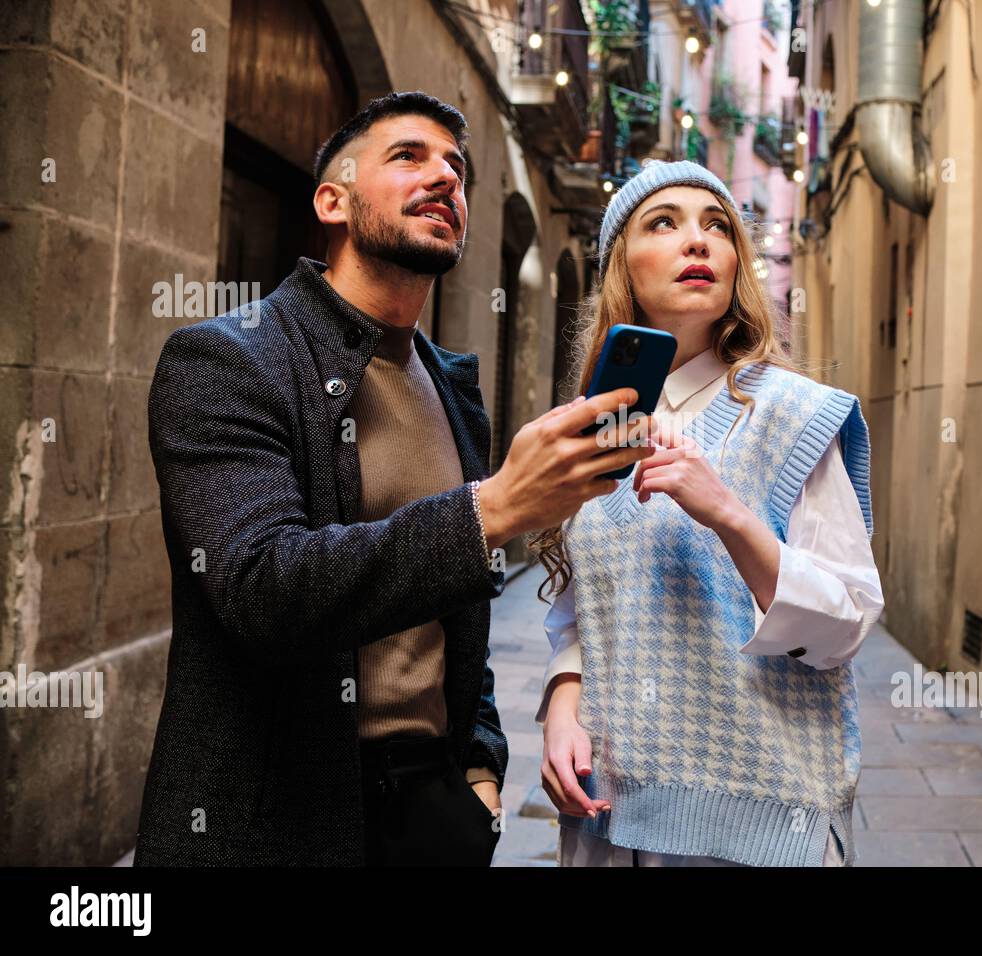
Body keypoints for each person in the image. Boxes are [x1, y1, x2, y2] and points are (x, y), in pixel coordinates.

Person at [135, 92, 652, 866]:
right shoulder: (227, 360)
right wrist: (496, 508)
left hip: (432, 814)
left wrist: (478, 768)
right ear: (332, 199)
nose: (445, 176)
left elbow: (461, 617)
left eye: (457, 166)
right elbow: (261, 589)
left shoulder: (451, 390)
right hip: (272, 818)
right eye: (408, 156)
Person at [532, 160, 885, 867]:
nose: (698, 241)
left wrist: (728, 511)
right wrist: (564, 707)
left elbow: (845, 621)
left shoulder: (795, 415)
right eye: (664, 223)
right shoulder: (596, 425)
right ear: (622, 270)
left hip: (754, 831)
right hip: (610, 816)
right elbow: (583, 610)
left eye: (716, 226)